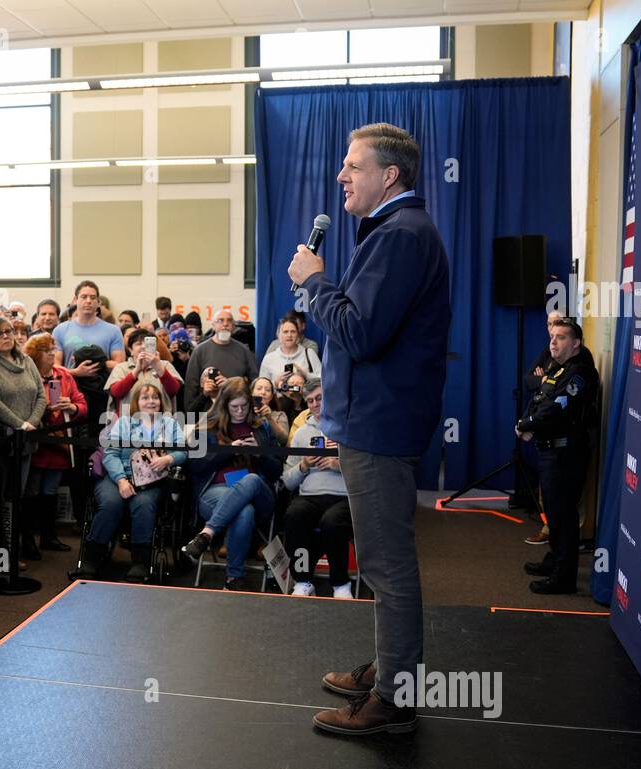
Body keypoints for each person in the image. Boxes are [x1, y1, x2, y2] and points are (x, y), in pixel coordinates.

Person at [288, 121, 451, 735]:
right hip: (372, 420)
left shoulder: (402, 236)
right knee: (382, 563)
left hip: (381, 427)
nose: (341, 176)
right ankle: (391, 669)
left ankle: (395, 701)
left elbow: (358, 331)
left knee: (386, 565)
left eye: (353, 167)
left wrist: (313, 281)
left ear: (390, 176)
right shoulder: (393, 230)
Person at [518, 320, 598, 595]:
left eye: (561, 337)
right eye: (552, 336)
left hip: (566, 454)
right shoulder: (559, 369)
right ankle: (555, 562)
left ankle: (564, 578)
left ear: (576, 343)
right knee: (553, 513)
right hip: (551, 449)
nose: (553, 342)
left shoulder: (581, 374)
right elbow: (540, 397)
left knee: (563, 516)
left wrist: (528, 426)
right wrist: (528, 421)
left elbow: (556, 409)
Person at [181, 378, 283, 590]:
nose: (239, 411)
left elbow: (277, 471)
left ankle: (206, 534)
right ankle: (234, 578)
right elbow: (194, 467)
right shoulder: (206, 427)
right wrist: (226, 453)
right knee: (243, 511)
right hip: (216, 492)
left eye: (244, 407)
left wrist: (259, 454)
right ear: (224, 405)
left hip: (260, 495)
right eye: (234, 407)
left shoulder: (262, 427)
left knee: (251, 479)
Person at [80, 383, 185, 582]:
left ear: (161, 402)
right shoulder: (124, 422)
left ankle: (140, 562)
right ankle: (91, 559)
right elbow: (110, 454)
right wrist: (121, 481)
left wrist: (168, 459)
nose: (151, 402)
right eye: (145, 398)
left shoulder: (170, 424)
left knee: (144, 504)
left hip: (152, 479)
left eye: (155, 397)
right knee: (111, 503)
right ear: (136, 402)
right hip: (117, 475)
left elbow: (183, 452)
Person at [0, 316, 46, 564]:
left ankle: (13, 552)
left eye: (9, 331)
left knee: (18, 496)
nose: (6, 336)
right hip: (4, 441)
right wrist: (19, 425)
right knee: (3, 500)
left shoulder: (26, 360)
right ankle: (4, 557)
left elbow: (41, 394)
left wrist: (32, 423)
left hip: (26, 439)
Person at [283, 378, 354, 599]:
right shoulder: (301, 433)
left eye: (320, 398)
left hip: (343, 497)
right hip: (310, 497)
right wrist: (303, 466)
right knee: (294, 515)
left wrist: (338, 465)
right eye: (310, 400)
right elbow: (287, 481)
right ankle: (303, 580)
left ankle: (341, 583)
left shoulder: (349, 428)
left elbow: (366, 472)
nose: (315, 404)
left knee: (331, 522)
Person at [23, 332, 85, 555]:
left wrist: (72, 407)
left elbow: (82, 405)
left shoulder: (64, 375)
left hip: (60, 444)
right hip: (36, 444)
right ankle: (28, 540)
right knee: (30, 492)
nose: (53, 354)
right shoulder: (27, 375)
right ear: (36, 354)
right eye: (48, 351)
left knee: (50, 491)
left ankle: (49, 537)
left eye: (53, 349)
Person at [523, 309, 565, 546]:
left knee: (560, 493)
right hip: (544, 432)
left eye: (557, 323)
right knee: (546, 488)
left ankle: (555, 534)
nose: (552, 329)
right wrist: (543, 380)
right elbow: (529, 381)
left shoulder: (575, 359)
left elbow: (557, 388)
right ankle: (548, 529)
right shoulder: (546, 352)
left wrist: (545, 380)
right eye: (549, 324)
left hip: (562, 435)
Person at [183, 311, 257, 412]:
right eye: (220, 321)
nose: (225, 324)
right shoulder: (200, 351)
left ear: (234, 326)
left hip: (237, 412)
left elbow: (255, 383)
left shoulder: (244, 351)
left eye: (229, 321)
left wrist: (230, 386)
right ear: (213, 325)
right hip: (207, 413)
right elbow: (191, 389)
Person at [51, 280, 124, 381]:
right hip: (70, 389)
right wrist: (75, 372)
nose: (88, 301)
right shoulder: (60, 330)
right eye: (84, 297)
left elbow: (120, 367)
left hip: (101, 390)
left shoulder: (113, 331)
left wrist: (97, 362)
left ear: (98, 302)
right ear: (75, 300)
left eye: (93, 297)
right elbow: (54, 365)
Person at [103, 326, 183, 417]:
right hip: (129, 423)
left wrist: (158, 367)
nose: (143, 346)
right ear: (130, 350)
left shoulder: (165, 365)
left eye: (147, 343)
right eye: (138, 343)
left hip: (161, 422)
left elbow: (174, 390)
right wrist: (136, 371)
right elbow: (116, 392)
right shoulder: (121, 368)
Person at [259, 314, 322, 386]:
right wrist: (276, 382)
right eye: (285, 332)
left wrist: (306, 375)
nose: (289, 335)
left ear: (298, 335)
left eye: (293, 331)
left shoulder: (309, 354)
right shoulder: (269, 358)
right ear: (279, 335)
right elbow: (261, 387)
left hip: (304, 396)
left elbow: (322, 379)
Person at [250, 376, 289, 444]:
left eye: (267, 390)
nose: (263, 392)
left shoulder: (279, 415)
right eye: (259, 388)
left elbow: (284, 439)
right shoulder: (243, 412)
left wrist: (269, 418)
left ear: (271, 396)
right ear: (251, 392)